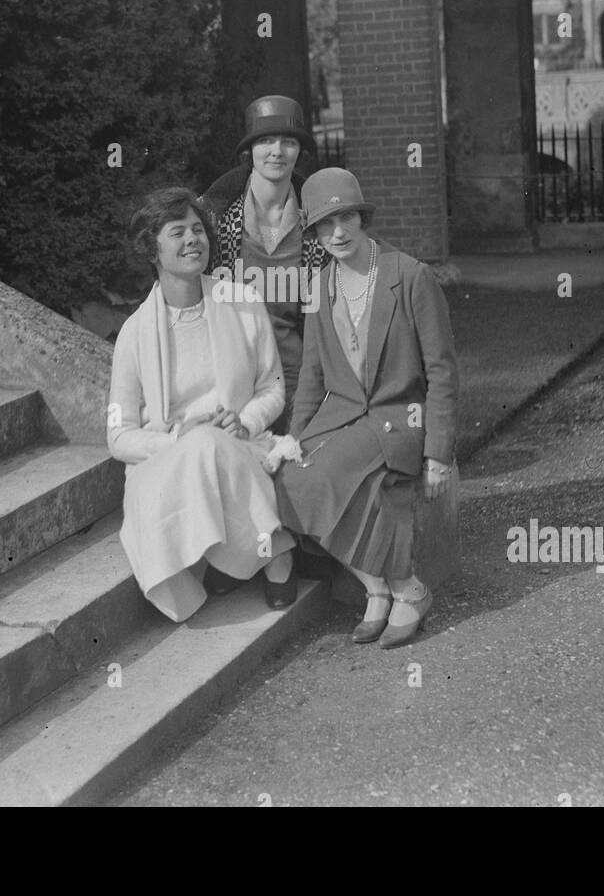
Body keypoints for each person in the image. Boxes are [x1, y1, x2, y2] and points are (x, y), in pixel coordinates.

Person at [275, 168, 458, 648]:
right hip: (345, 417)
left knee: (343, 475)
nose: (337, 232)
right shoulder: (319, 285)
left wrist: (438, 454)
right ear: (313, 232)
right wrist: (296, 437)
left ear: (361, 218)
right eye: (324, 224)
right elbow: (312, 376)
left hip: (401, 419)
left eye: (346, 218)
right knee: (290, 479)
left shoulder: (410, 276)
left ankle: (410, 590)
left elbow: (441, 370)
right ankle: (376, 588)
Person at [107, 187, 297, 622]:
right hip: (168, 460)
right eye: (177, 232)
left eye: (198, 230)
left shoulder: (242, 301)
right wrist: (178, 436)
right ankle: (256, 553)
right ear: (151, 250)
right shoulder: (134, 335)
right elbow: (117, 436)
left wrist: (245, 422)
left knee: (212, 445)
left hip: (240, 447)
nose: (193, 239)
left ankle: (272, 556)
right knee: (202, 445)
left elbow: (272, 387)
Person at [200, 95, 330, 431]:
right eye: (266, 140)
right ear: (249, 151)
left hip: (294, 370)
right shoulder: (212, 217)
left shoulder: (318, 222)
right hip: (230, 367)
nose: (277, 151)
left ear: (300, 151)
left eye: (289, 142)